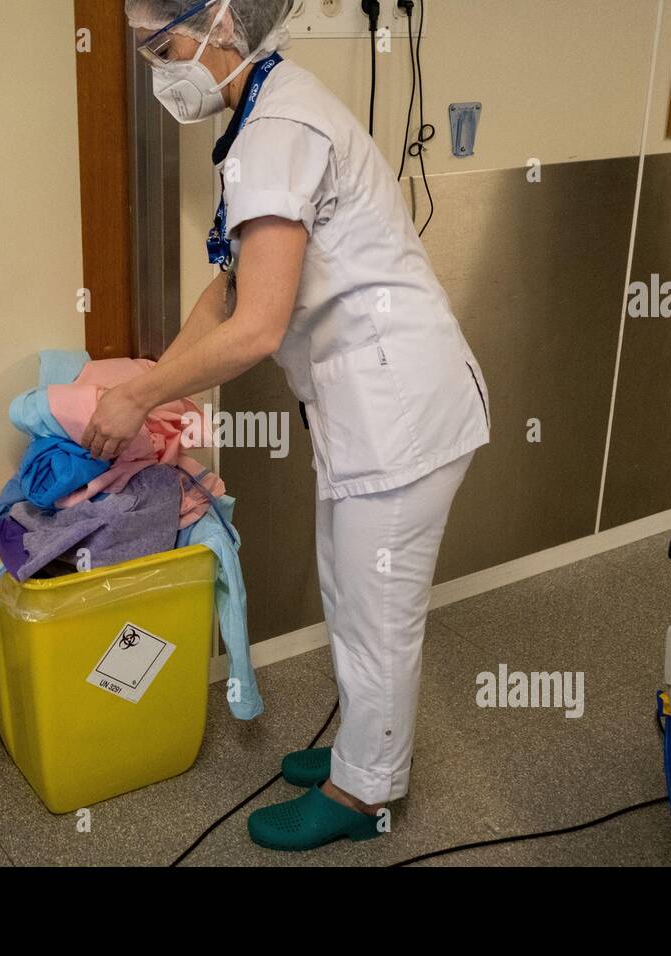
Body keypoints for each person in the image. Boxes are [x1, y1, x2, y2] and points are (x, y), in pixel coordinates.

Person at [85, 0, 491, 851]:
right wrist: (153, 385)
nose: (162, 68)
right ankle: (362, 753)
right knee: (349, 594)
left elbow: (257, 327)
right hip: (364, 410)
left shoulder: (279, 129)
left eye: (167, 45)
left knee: (378, 618)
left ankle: (363, 796)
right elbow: (225, 291)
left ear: (225, 22)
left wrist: (139, 400)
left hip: (401, 416)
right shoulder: (263, 105)